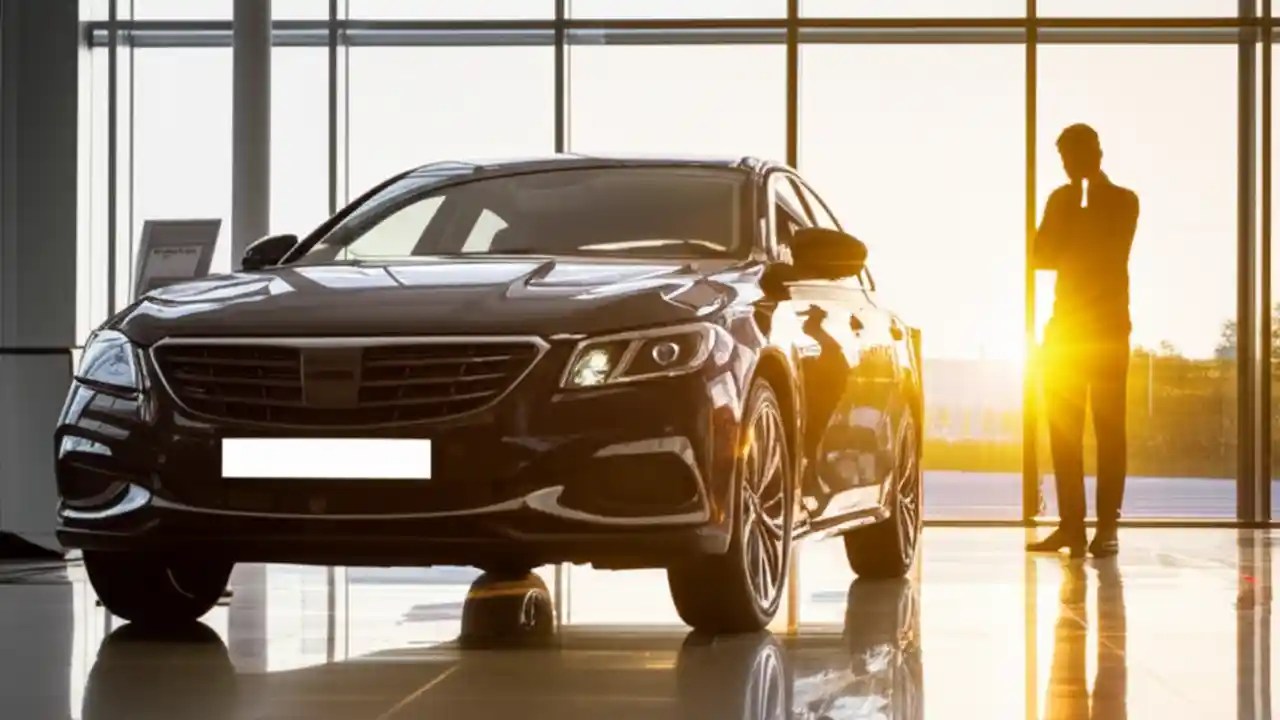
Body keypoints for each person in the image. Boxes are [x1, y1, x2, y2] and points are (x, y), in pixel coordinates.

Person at [1027, 124, 1140, 559]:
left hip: (1108, 330)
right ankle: (1072, 525)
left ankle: (1107, 527)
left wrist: (1077, 215)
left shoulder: (1123, 200)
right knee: (1064, 431)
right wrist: (1072, 207)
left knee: (1109, 430)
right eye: (1065, 161)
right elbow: (1042, 257)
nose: (1070, 168)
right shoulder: (1061, 200)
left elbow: (1109, 251)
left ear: (1096, 153)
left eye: (1076, 158)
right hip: (1066, 332)